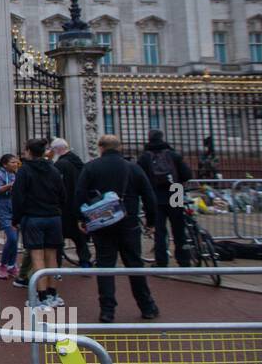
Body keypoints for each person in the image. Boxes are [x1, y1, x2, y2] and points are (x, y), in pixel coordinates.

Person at [75, 134, 160, 323]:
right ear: (119, 147)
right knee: (135, 265)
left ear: (100, 147)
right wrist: (151, 221)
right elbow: (149, 196)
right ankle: (147, 306)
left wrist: (81, 218)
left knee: (105, 266)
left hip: (102, 224)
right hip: (128, 223)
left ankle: (107, 310)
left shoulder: (91, 167)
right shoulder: (133, 167)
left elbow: (79, 194)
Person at [11, 137, 66, 308]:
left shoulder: (24, 171)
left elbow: (18, 197)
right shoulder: (53, 169)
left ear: (28, 151)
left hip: (34, 217)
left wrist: (16, 218)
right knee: (51, 255)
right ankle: (53, 293)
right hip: (53, 216)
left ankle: (41, 296)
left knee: (37, 256)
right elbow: (62, 194)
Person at [137, 129, 193, 268]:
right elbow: (186, 174)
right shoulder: (173, 155)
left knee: (160, 231)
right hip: (175, 191)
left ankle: (161, 261)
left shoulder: (145, 157)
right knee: (179, 229)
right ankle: (184, 260)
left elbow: (139, 177)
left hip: (155, 194)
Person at [50, 138, 92, 269]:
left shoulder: (60, 165)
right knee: (80, 238)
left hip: (64, 206)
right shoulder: (79, 162)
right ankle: (85, 262)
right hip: (80, 204)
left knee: (58, 239)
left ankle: (56, 266)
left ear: (57, 150)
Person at [0, 154, 20, 279]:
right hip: (4, 211)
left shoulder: (16, 174)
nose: (15, 164)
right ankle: (2, 264)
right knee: (12, 238)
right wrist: (11, 185)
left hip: (16, 210)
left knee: (14, 241)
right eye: (12, 162)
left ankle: (11, 265)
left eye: (16, 162)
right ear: (5, 164)